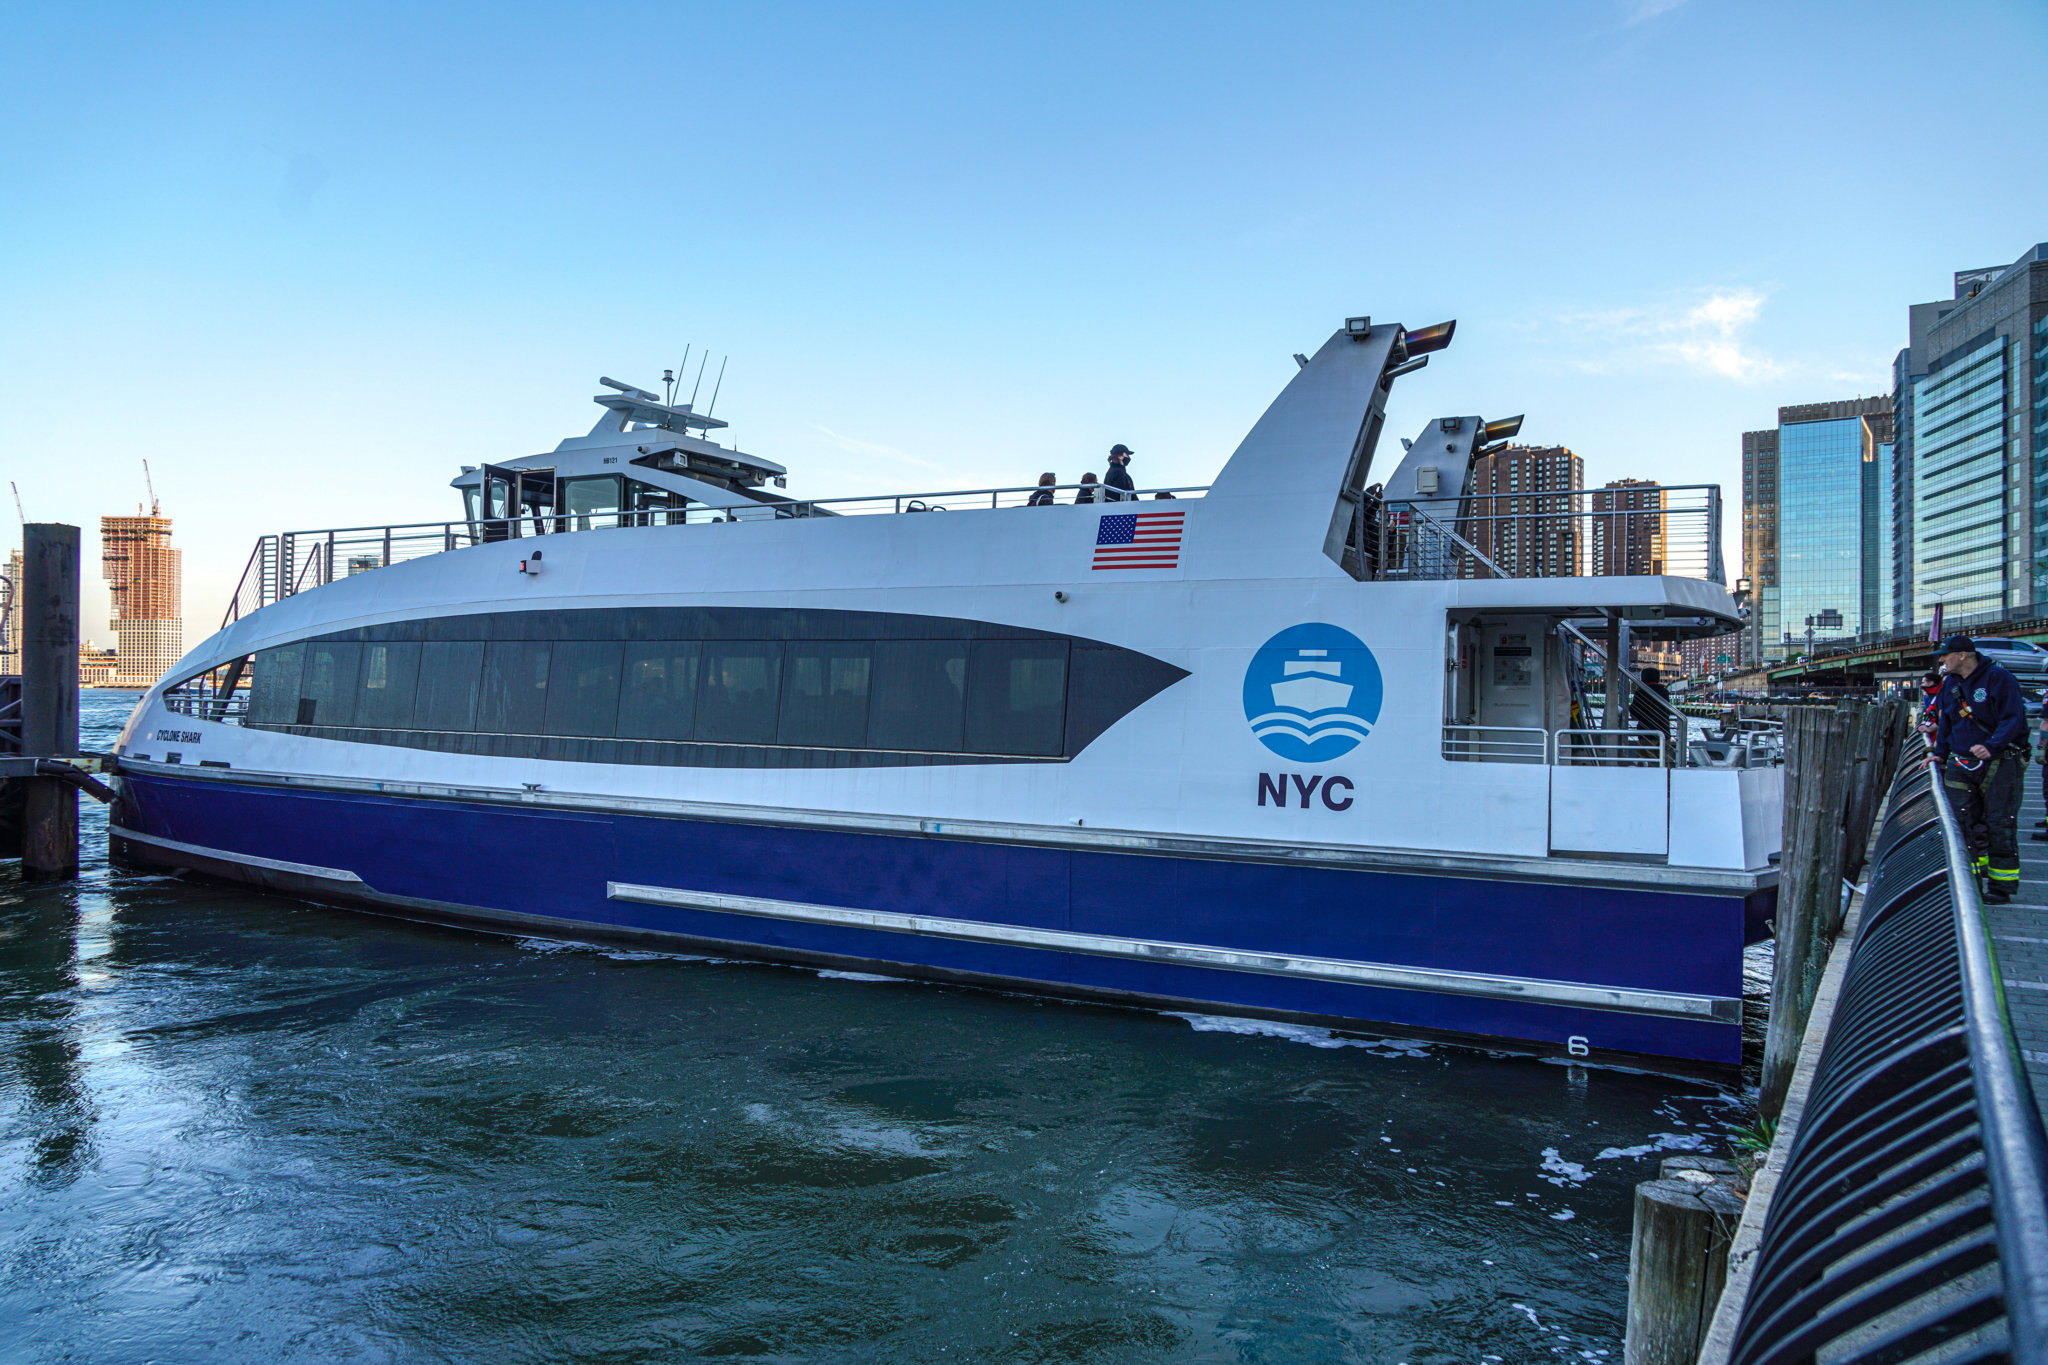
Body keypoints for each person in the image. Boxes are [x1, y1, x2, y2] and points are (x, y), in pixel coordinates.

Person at [1931, 634, 2029, 900]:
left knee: (1999, 823)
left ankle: (2001, 887)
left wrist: (1993, 745)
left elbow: (2013, 718)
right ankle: (1970, 880)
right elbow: (1946, 722)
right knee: (1962, 822)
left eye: (1945, 655)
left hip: (2001, 763)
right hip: (1961, 762)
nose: (1941, 660)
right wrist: (1939, 754)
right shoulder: (1950, 684)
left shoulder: (1999, 678)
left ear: (1962, 656)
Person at [1629, 666, 1672, 758]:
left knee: (1647, 760)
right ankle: (1665, 772)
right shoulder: (1664, 692)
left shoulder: (1641, 692)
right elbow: (1668, 711)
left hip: (1646, 732)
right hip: (1664, 731)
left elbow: (1634, 712)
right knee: (1664, 760)